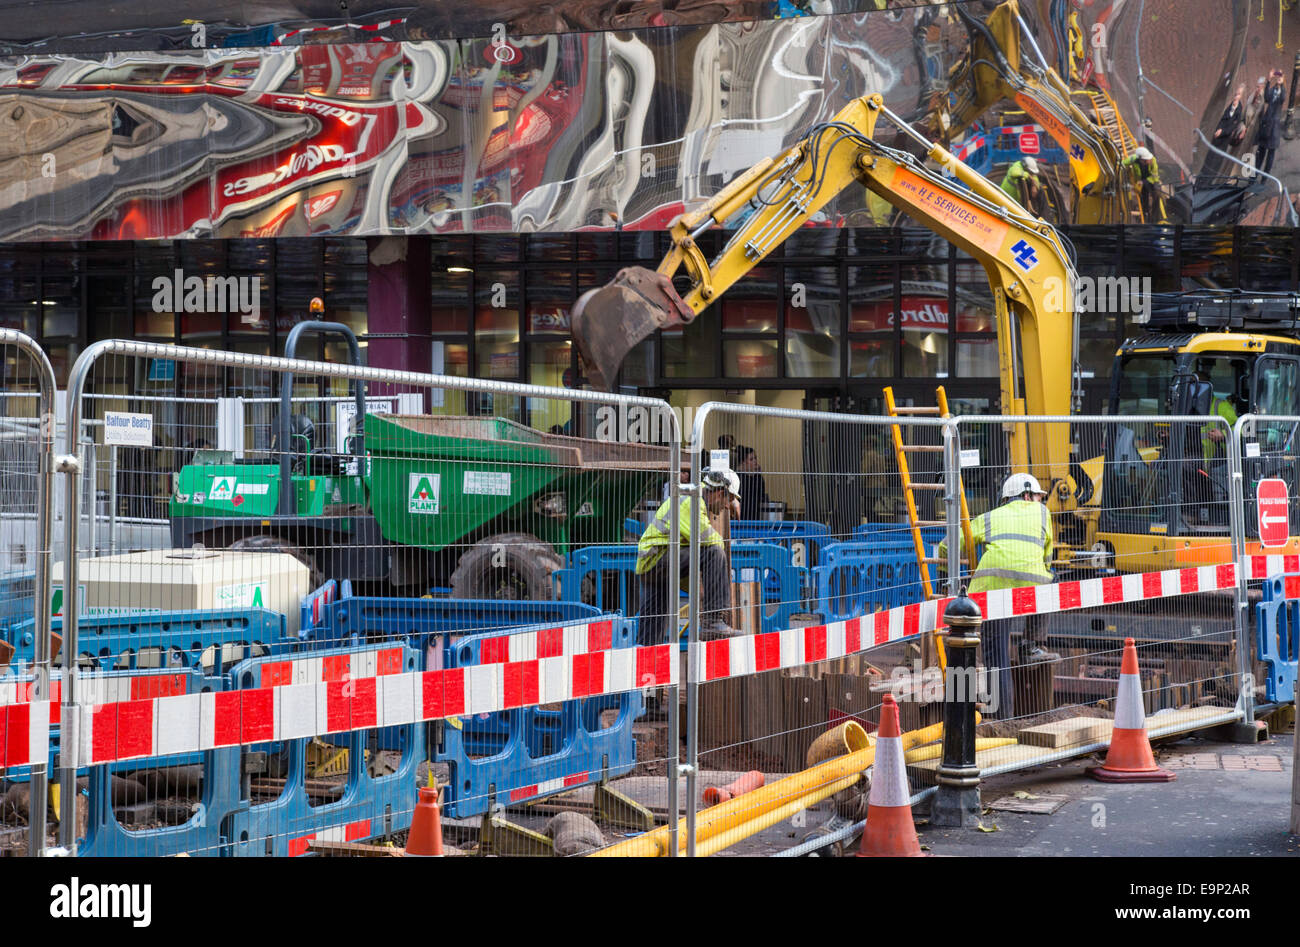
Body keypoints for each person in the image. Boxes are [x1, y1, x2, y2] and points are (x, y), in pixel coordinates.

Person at [939, 473, 1058, 720]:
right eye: (1038, 497)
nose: (1039, 501)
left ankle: (1000, 719)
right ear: (1027, 495)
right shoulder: (1044, 514)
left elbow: (947, 546)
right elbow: (1048, 558)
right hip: (1032, 586)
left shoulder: (991, 517)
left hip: (992, 588)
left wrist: (943, 578)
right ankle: (1032, 644)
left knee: (995, 654)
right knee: (1051, 578)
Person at [636, 467, 742, 645]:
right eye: (728, 499)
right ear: (718, 492)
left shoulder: (694, 499)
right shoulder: (692, 501)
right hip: (658, 559)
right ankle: (713, 621)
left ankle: (646, 664)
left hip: (653, 564)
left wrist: (703, 590)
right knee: (715, 552)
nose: (726, 506)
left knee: (652, 628)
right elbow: (712, 543)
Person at [1254, 69, 1286, 175]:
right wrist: (1269, 79)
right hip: (1266, 125)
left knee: (1270, 156)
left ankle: (1265, 177)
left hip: (1274, 129)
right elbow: (1267, 98)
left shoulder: (1283, 91)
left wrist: (1281, 84)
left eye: (1280, 77)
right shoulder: (1272, 89)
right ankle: (1253, 177)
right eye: (1277, 77)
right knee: (1260, 153)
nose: (1278, 78)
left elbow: (1282, 99)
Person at [1121, 146, 1162, 222]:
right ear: (1141, 160)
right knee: (1144, 198)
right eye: (1146, 160)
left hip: (1152, 180)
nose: (1149, 161)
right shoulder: (1134, 159)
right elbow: (1123, 163)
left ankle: (1155, 217)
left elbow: (1154, 175)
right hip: (1141, 181)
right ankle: (1146, 215)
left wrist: (1143, 181)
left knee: (1156, 194)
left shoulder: (1153, 160)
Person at [732, 445, 771, 520]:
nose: (755, 461)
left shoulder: (758, 478)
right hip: (740, 516)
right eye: (751, 459)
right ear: (743, 462)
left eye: (755, 458)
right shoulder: (736, 478)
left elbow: (761, 496)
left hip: (755, 516)